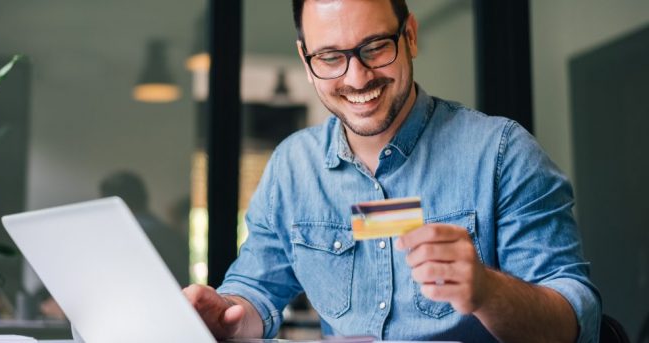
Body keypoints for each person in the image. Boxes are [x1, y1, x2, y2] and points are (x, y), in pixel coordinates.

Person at [184, 0, 601, 342]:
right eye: (330, 57)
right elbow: (256, 289)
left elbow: (575, 320)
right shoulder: (293, 167)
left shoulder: (502, 153)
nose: (358, 77)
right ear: (306, 60)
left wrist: (487, 291)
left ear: (411, 36)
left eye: (376, 46)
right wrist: (227, 316)